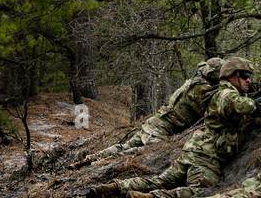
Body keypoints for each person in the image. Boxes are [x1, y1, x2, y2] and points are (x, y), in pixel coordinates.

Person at [86, 56, 261, 198]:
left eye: (249, 76)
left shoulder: (219, 92)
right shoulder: (226, 94)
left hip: (193, 151)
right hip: (205, 158)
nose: (248, 80)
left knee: (161, 180)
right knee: (201, 193)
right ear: (231, 75)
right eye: (244, 75)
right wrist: (257, 103)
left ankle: (113, 188)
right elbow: (243, 105)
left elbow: (249, 120)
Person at [86, 57, 223, 162]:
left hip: (156, 122)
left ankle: (92, 158)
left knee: (126, 146)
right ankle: (99, 160)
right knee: (141, 151)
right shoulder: (200, 89)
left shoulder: (194, 81)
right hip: (161, 128)